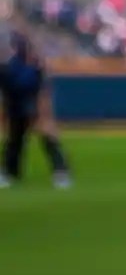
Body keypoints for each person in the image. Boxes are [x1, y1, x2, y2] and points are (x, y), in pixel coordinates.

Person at [1, 30, 73, 189]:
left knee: (48, 140)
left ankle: (61, 172)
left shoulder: (35, 66)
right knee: (14, 141)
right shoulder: (9, 67)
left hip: (32, 106)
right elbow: (7, 92)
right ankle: (10, 172)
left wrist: (45, 112)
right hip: (16, 107)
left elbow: (43, 91)